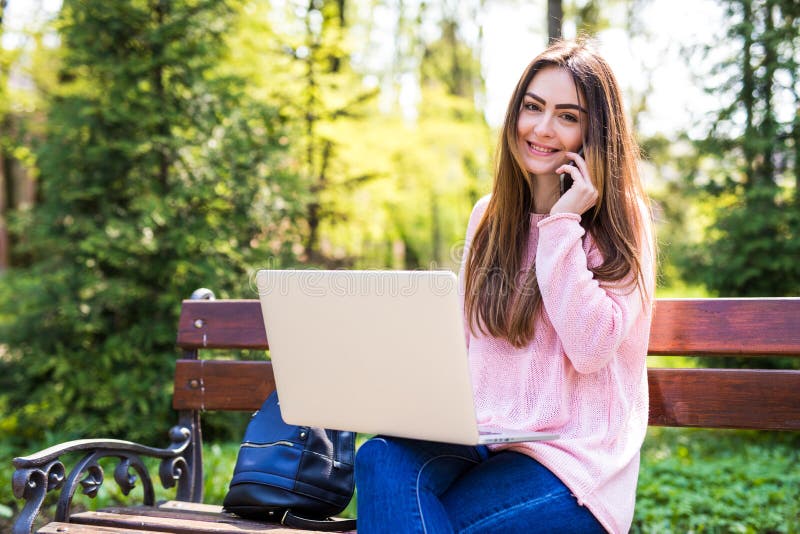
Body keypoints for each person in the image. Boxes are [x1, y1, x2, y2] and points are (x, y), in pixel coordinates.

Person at [355, 39, 656, 534]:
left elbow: (591, 347)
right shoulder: (489, 216)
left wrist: (562, 226)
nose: (541, 129)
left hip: (573, 462)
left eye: (567, 116)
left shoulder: (621, 220)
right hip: (484, 439)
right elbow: (459, 343)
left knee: (419, 520)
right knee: (380, 460)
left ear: (595, 132)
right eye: (533, 108)